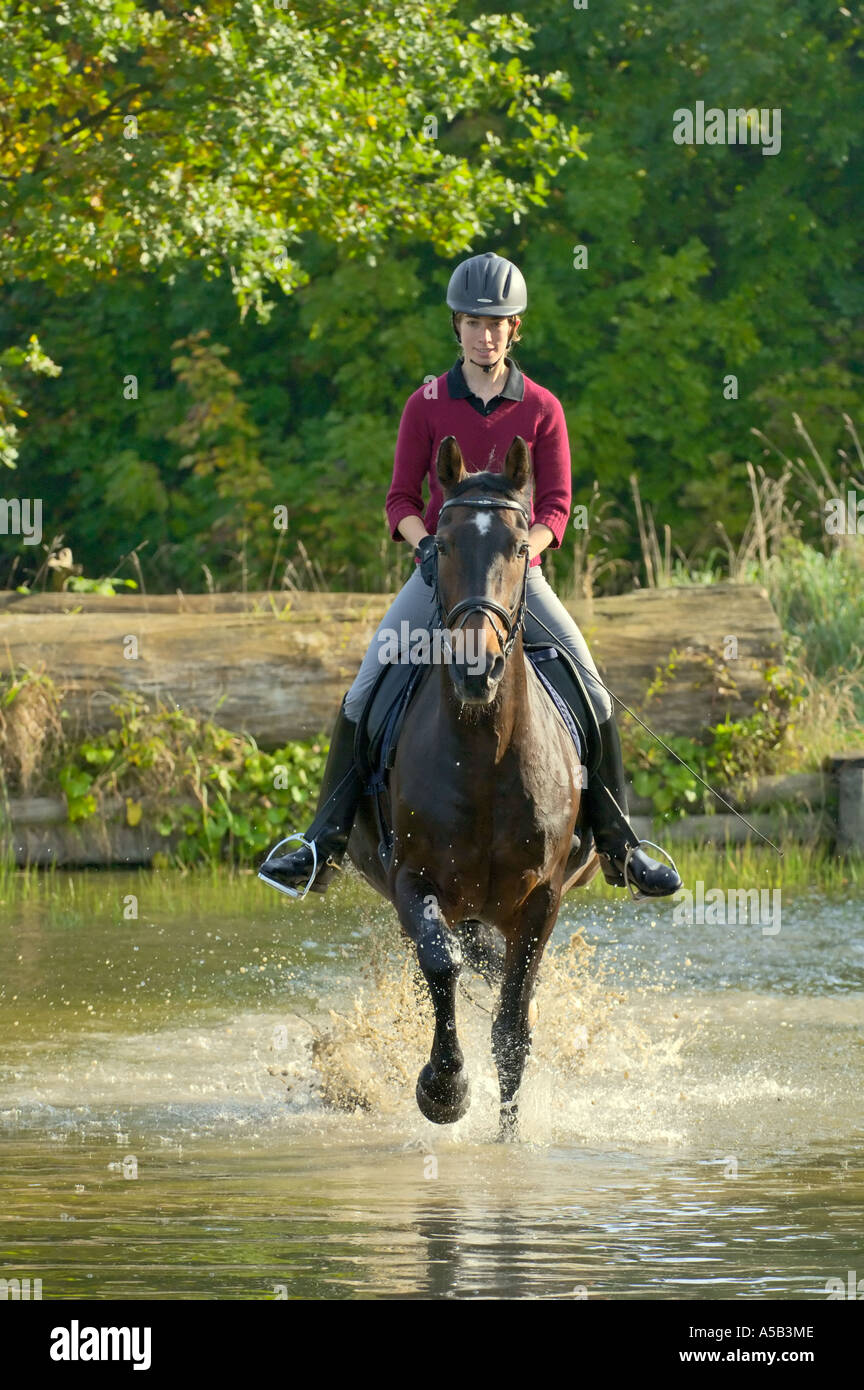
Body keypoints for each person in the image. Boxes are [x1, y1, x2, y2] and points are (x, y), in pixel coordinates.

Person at [259, 252, 682, 899]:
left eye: (499, 323)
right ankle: (323, 843)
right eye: (474, 323)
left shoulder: (542, 407)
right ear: (456, 327)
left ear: (516, 329)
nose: (486, 334)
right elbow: (399, 500)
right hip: (441, 578)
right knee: (366, 685)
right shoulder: (425, 405)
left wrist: (524, 551)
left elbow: (557, 508)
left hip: (519, 582)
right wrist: (425, 545)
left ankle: (623, 846)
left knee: (592, 687)